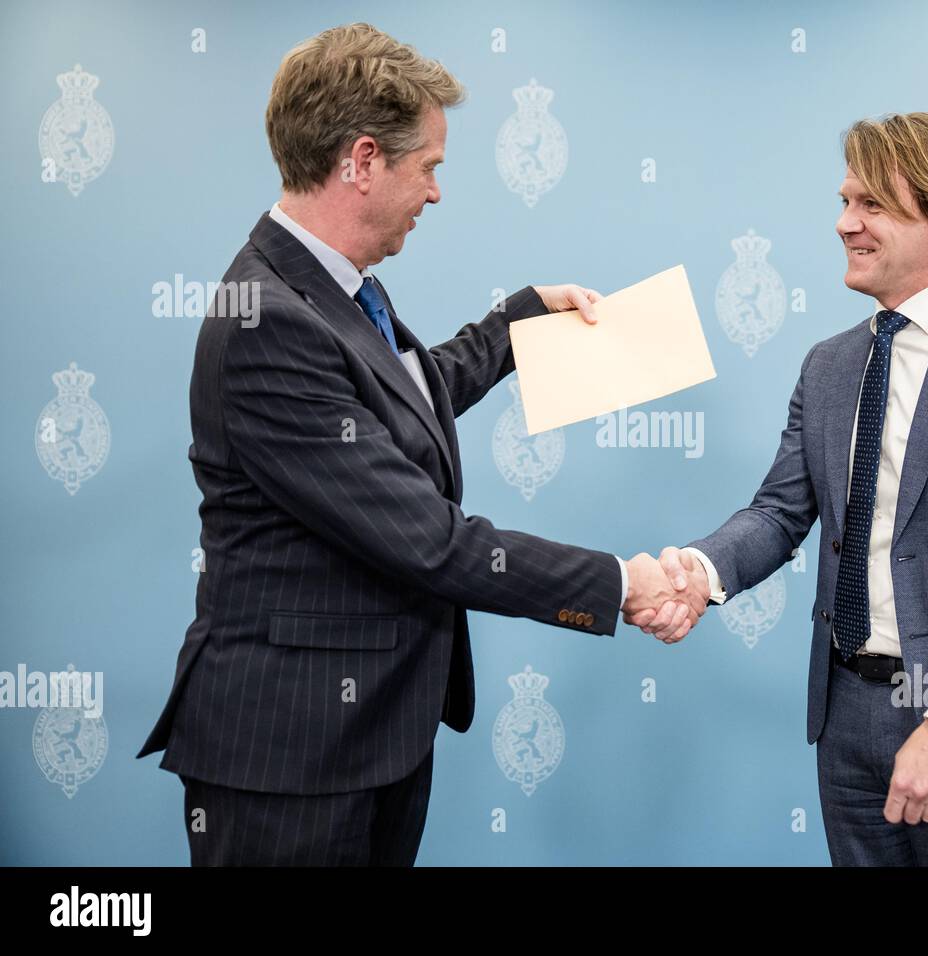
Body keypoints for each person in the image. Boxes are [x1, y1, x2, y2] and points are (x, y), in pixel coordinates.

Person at [136, 22, 699, 866]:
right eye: (428, 166)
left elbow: (393, 404)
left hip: (370, 739)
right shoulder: (268, 322)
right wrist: (619, 583)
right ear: (362, 160)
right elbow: (428, 542)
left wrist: (515, 325)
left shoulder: (332, 285)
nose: (435, 192)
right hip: (291, 760)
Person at [632, 112, 928, 866]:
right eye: (845, 202)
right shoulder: (828, 365)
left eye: (871, 204)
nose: (845, 223)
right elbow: (780, 513)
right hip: (847, 729)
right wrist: (700, 573)